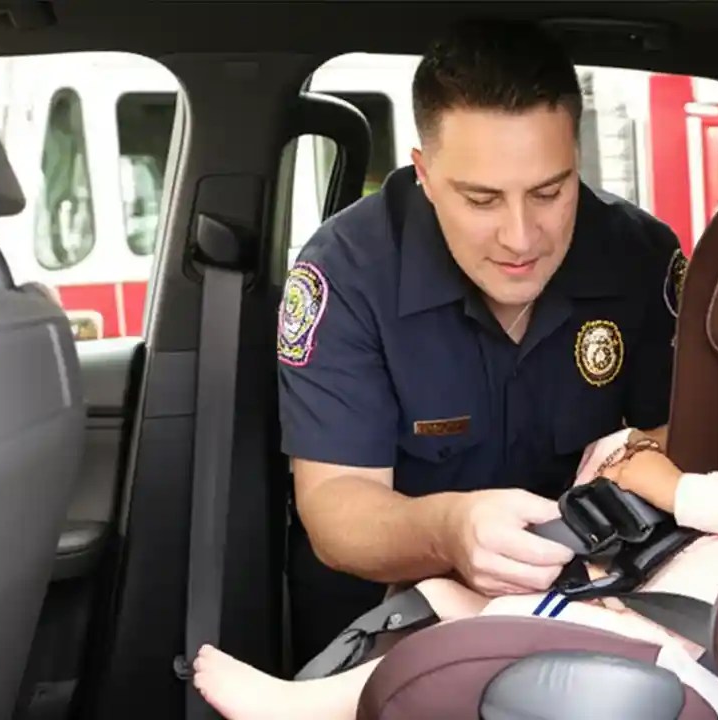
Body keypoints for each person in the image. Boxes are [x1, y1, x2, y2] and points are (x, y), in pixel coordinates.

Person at [278, 17, 688, 662]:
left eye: (551, 192)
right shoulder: (348, 270)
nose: (521, 238)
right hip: (391, 624)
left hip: (593, 613)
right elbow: (335, 503)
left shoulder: (639, 256)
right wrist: (447, 532)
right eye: (481, 199)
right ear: (424, 175)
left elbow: (684, 441)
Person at [192, 359, 718, 720]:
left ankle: (304, 711)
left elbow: (693, 497)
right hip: (654, 615)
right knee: (441, 596)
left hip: (681, 650)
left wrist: (647, 470)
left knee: (473, 635)